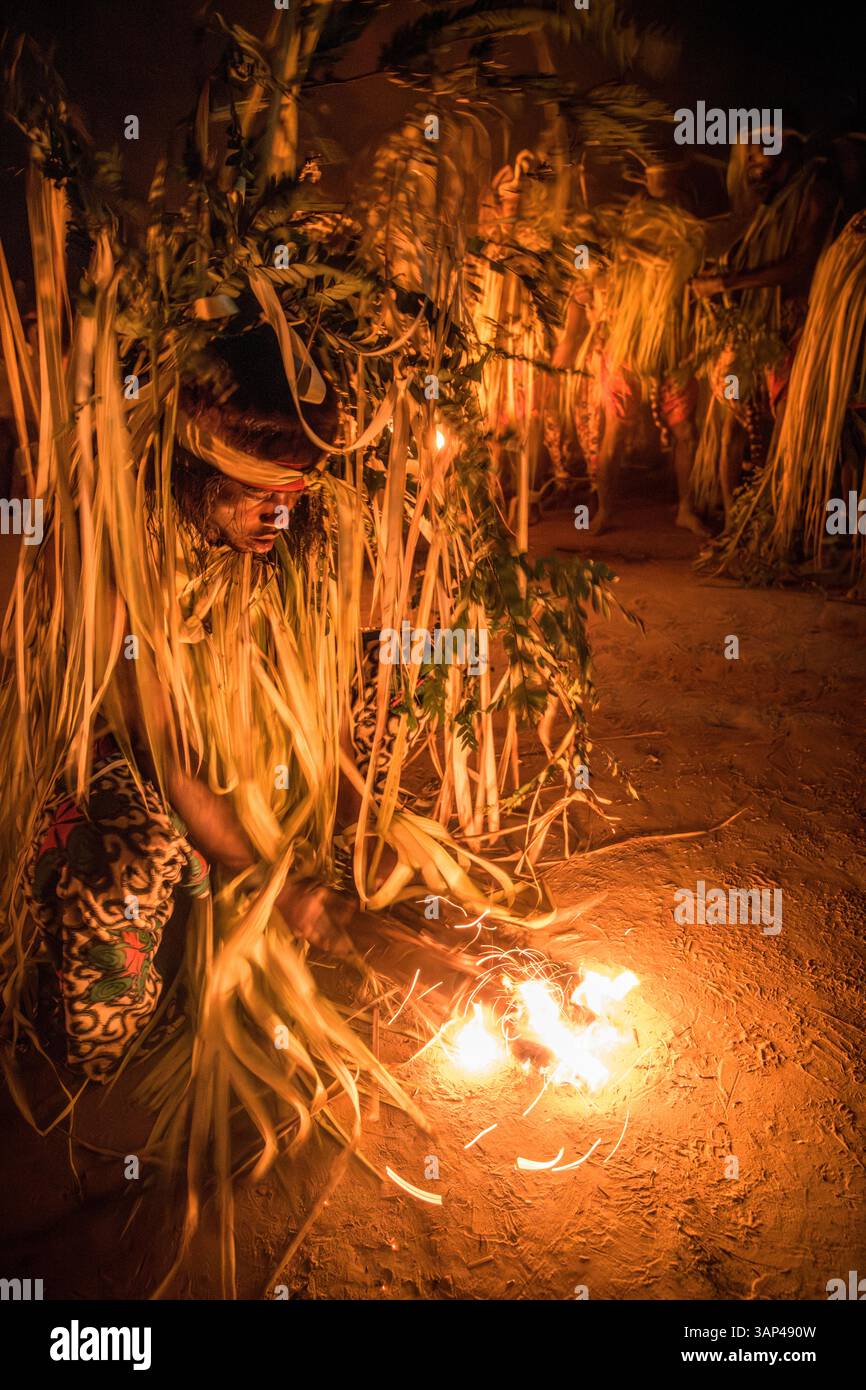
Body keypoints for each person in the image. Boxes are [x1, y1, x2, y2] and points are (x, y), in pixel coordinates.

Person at [691, 132, 840, 520]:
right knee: (736, 425)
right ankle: (737, 526)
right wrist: (720, 278)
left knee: (788, 430)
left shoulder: (814, 189)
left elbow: (801, 264)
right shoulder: (765, 209)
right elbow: (744, 261)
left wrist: (728, 282)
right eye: (749, 152)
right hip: (755, 332)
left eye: (763, 148)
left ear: (790, 145)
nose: (753, 158)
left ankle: (789, 527)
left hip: (795, 332)